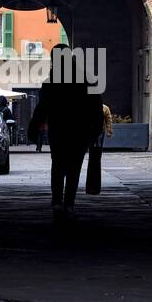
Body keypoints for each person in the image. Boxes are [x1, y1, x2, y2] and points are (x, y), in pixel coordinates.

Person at [28, 45, 104, 220]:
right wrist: (97, 128)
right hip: (80, 131)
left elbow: (42, 108)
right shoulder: (86, 79)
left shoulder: (51, 82)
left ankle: (57, 202)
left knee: (58, 165)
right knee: (74, 167)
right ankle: (69, 203)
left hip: (59, 130)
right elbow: (96, 106)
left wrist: (34, 127)